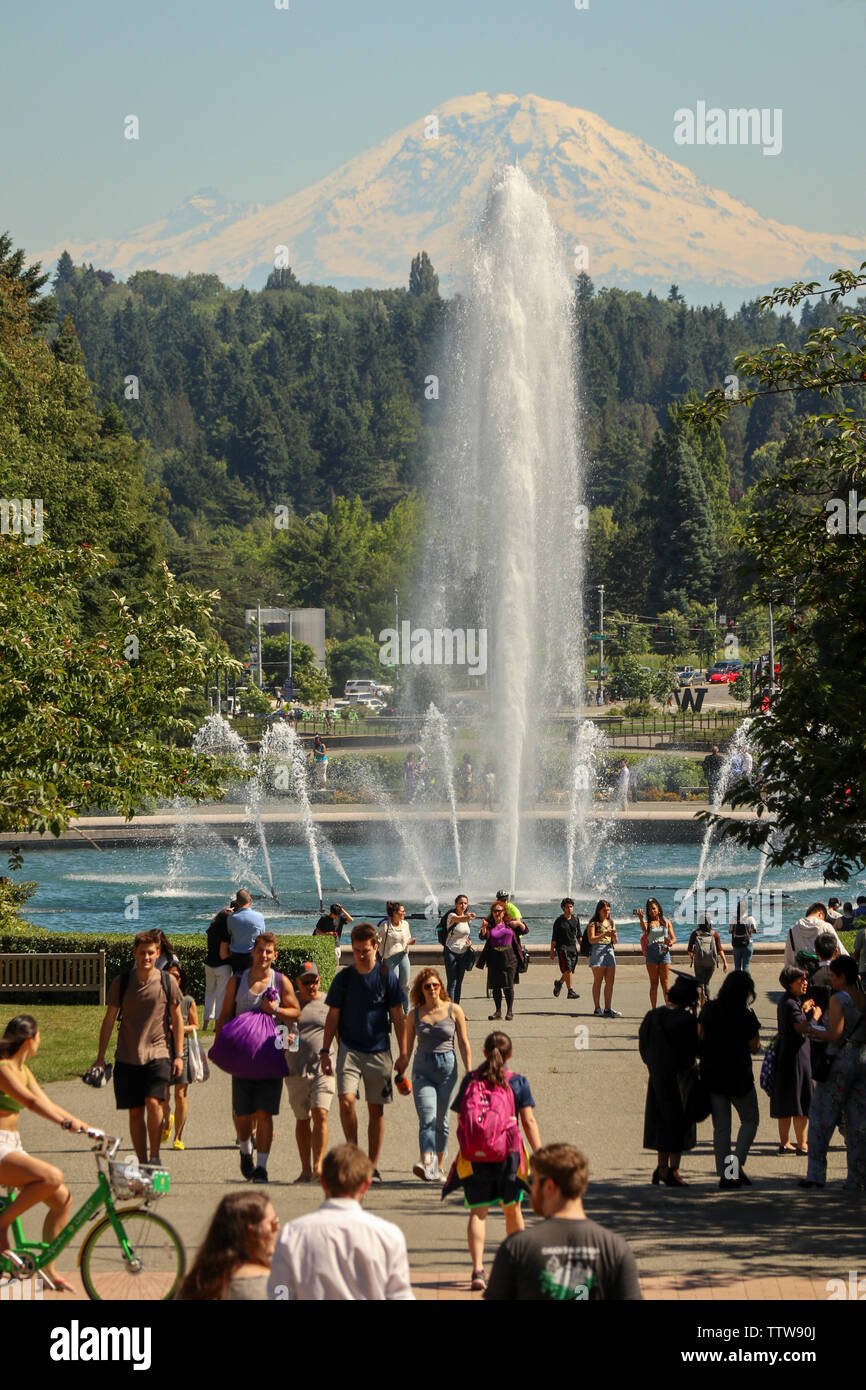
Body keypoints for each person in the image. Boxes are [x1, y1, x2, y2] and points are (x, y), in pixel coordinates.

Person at [0, 1014, 96, 1292]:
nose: (39, 1043)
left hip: (11, 1145)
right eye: (39, 1038)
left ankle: (47, 1267)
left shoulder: (23, 1070)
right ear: (30, 1040)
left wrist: (88, 1128)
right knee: (52, 1177)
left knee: (62, 1199)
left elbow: (47, 1103)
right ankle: (1, 1223)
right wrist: (64, 1123)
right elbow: (28, 1102)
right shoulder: (4, 1068)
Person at [443, 1030, 541, 1293]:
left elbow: (462, 1116)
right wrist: (540, 1152)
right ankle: (518, 1267)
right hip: (510, 1155)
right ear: (509, 1055)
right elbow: (528, 1121)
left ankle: (478, 1269)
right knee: (513, 1210)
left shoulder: (470, 1080)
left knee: (478, 1213)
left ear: (484, 1053)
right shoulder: (517, 1082)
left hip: (474, 1157)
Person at [486, 1144, 642, 1301]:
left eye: (532, 1180)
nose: (529, 1188)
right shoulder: (615, 1249)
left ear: (549, 1186)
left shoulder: (517, 1248)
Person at [266, 1143, 414, 1300]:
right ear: (366, 1185)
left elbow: (280, 1293)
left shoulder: (293, 1233)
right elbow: (399, 1295)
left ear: (323, 1183)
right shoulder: (388, 1235)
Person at [320, 923, 408, 1182]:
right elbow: (332, 1017)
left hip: (379, 1050)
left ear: (375, 947)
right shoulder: (343, 978)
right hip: (349, 1049)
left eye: (365, 951)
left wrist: (404, 1053)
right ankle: (354, 1154)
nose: (360, 955)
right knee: (346, 1100)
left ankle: (372, 1165)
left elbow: (399, 1016)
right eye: (356, 950)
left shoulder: (385, 976)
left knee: (375, 1109)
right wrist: (325, 1051)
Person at [91, 929, 184, 1164]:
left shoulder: (167, 981)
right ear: (135, 953)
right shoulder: (121, 982)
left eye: (151, 953)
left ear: (158, 953)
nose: (146, 957)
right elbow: (109, 1020)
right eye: (142, 953)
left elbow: (178, 1019)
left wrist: (179, 1055)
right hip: (128, 1055)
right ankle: (143, 1161)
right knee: (135, 1112)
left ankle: (154, 1157)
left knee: (154, 1103)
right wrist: (100, 1057)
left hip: (159, 1052)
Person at [216, 932, 301, 1183]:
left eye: (269, 951)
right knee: (242, 1114)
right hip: (242, 1059)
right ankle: (245, 1151)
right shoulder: (237, 980)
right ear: (253, 951)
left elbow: (295, 1012)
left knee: (265, 1113)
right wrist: (219, 1045)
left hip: (270, 1056)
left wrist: (276, 1009)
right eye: (260, 950)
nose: (263, 955)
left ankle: (262, 1167)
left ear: (275, 955)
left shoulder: (280, 981)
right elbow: (224, 1014)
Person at [800, 956, 866, 1189]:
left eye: (834, 976)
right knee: (858, 1122)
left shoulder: (839, 999)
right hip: (862, 1058)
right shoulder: (862, 997)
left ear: (841, 977)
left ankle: (816, 1175)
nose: (832, 979)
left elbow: (836, 1034)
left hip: (840, 1061)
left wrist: (812, 1029)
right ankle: (857, 1177)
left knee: (821, 1117)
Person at [404, 967, 471, 1183]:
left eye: (435, 985)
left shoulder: (454, 1010)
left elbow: (463, 1042)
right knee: (427, 1118)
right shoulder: (413, 1015)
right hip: (422, 1069)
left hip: (447, 1069)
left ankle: (439, 1166)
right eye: (427, 986)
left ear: (440, 987)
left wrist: (470, 1073)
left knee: (442, 1121)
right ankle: (427, 1162)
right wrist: (399, 1073)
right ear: (420, 990)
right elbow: (405, 1049)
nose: (432, 989)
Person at [698, 972, 762, 1189]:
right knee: (750, 1120)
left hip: (713, 1074)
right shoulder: (746, 1015)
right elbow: (754, 1047)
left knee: (721, 1128)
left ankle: (727, 1175)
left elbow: (700, 1035)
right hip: (739, 1076)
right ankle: (734, 1166)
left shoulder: (709, 1009)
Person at [638, 975, 700, 1187]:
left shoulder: (653, 1015)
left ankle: (661, 1168)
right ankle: (673, 1170)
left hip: (657, 1077)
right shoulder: (688, 1020)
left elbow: (643, 1048)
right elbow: (695, 1050)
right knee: (679, 1126)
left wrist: (654, 1067)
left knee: (661, 1123)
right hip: (681, 1080)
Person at [285, 962, 336, 1183]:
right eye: (306, 982)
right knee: (302, 1119)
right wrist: (283, 1040)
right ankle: (305, 1170)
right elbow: (277, 1035)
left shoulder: (329, 1002)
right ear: (298, 983)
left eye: (314, 980)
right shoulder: (289, 1003)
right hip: (295, 1070)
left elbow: (340, 1032)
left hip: (323, 1068)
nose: (311, 985)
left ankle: (318, 1166)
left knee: (321, 1113)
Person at [177, 1191, 280, 1300]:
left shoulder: (195, 1284)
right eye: (273, 1223)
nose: (277, 1227)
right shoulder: (272, 1286)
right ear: (250, 1231)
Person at [771, 965, 820, 1154]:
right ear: (790, 983)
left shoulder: (788, 1001)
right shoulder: (791, 1004)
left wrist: (804, 1007)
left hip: (787, 1055)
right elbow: (803, 1029)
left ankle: (785, 1142)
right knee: (801, 1099)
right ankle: (802, 1144)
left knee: (787, 1100)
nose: (805, 982)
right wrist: (814, 1016)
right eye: (801, 980)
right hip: (797, 1057)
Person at [160, 963, 198, 1151]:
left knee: (180, 1095)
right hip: (162, 1050)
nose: (172, 978)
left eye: (176, 975)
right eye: (169, 975)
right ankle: (167, 1119)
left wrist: (179, 1029)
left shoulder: (188, 1000)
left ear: (180, 979)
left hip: (182, 1048)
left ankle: (178, 1136)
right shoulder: (158, 999)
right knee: (164, 1096)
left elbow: (195, 1026)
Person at [479, 900, 527, 1022]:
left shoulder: (509, 924)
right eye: (494, 911)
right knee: (495, 987)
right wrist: (484, 928)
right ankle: (498, 1011)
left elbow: (525, 930)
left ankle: (509, 1011)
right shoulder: (490, 925)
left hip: (509, 957)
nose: (497, 913)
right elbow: (483, 936)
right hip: (494, 957)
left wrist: (520, 924)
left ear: (504, 912)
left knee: (508, 986)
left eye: (499, 911)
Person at [376, 901, 415, 1013]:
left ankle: (406, 1012)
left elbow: (407, 939)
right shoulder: (385, 925)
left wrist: (411, 942)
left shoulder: (405, 924)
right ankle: (393, 1012)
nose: (404, 913)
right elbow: (377, 941)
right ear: (394, 913)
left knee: (405, 986)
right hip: (390, 959)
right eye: (402, 911)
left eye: (404, 911)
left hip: (403, 956)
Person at [637, 898, 676, 1007]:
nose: (652, 911)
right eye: (649, 909)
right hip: (652, 952)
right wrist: (640, 918)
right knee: (654, 983)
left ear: (658, 909)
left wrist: (670, 942)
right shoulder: (648, 924)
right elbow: (644, 929)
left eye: (653, 908)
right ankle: (654, 1010)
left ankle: (669, 1008)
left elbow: (673, 938)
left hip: (664, 951)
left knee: (665, 983)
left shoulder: (666, 922)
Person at [784, 901, 849, 966]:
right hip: (823, 973)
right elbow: (843, 954)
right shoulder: (826, 926)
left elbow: (788, 961)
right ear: (820, 914)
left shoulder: (792, 929)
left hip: (802, 974)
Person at [203, 899, 234, 1031]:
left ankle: (204, 1025)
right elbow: (223, 954)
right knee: (221, 995)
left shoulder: (212, 929)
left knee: (209, 993)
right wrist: (233, 956)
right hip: (222, 966)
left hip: (209, 964)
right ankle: (217, 1025)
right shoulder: (225, 933)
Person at [587, 900, 620, 1018]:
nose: (607, 912)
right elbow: (591, 940)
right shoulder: (593, 924)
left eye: (608, 910)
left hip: (609, 950)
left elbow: (615, 941)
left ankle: (608, 1008)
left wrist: (614, 936)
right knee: (598, 980)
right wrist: (604, 934)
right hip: (597, 951)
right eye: (604, 910)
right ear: (599, 911)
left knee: (610, 981)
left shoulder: (611, 922)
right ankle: (597, 1008)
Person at [443, 894, 476, 1005]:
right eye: (460, 903)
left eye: (465, 903)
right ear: (456, 904)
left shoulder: (467, 919)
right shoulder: (451, 916)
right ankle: (450, 1011)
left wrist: (469, 942)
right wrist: (468, 917)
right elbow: (460, 919)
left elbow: (465, 934)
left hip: (463, 953)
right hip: (451, 951)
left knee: (459, 983)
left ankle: (457, 1010)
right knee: (452, 982)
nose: (463, 905)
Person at [688, 916, 727, 1003]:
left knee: (700, 982)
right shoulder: (714, 934)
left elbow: (689, 949)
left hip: (699, 961)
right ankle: (707, 1001)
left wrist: (692, 956)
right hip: (711, 962)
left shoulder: (695, 934)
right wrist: (725, 962)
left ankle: (699, 1000)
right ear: (710, 923)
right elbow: (720, 950)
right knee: (707, 983)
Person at [226, 888, 266, 974]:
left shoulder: (231, 918)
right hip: (252, 955)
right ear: (250, 900)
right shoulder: (259, 916)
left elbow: (229, 933)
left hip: (236, 957)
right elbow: (262, 935)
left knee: (238, 983)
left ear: (237, 902)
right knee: (251, 982)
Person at [550, 898, 581, 1001]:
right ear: (563, 908)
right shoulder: (559, 921)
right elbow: (554, 937)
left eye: (571, 907)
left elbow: (579, 935)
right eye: (567, 907)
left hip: (573, 947)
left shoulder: (576, 919)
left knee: (570, 971)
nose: (569, 909)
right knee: (568, 969)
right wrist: (552, 951)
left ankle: (559, 983)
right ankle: (570, 991)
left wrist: (584, 946)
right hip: (562, 948)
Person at [313, 902, 353, 968]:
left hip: (336, 945)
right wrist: (327, 934)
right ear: (331, 913)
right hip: (324, 945)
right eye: (336, 915)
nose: (337, 916)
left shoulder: (340, 918)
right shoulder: (324, 919)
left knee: (335, 965)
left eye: (338, 915)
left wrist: (342, 909)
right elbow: (317, 932)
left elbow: (350, 919)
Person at [729, 900, 758, 973]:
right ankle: (746, 982)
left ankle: (738, 983)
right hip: (748, 944)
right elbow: (755, 930)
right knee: (746, 966)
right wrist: (748, 931)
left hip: (736, 944)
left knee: (737, 966)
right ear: (746, 908)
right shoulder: (750, 918)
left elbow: (730, 931)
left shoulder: (733, 919)